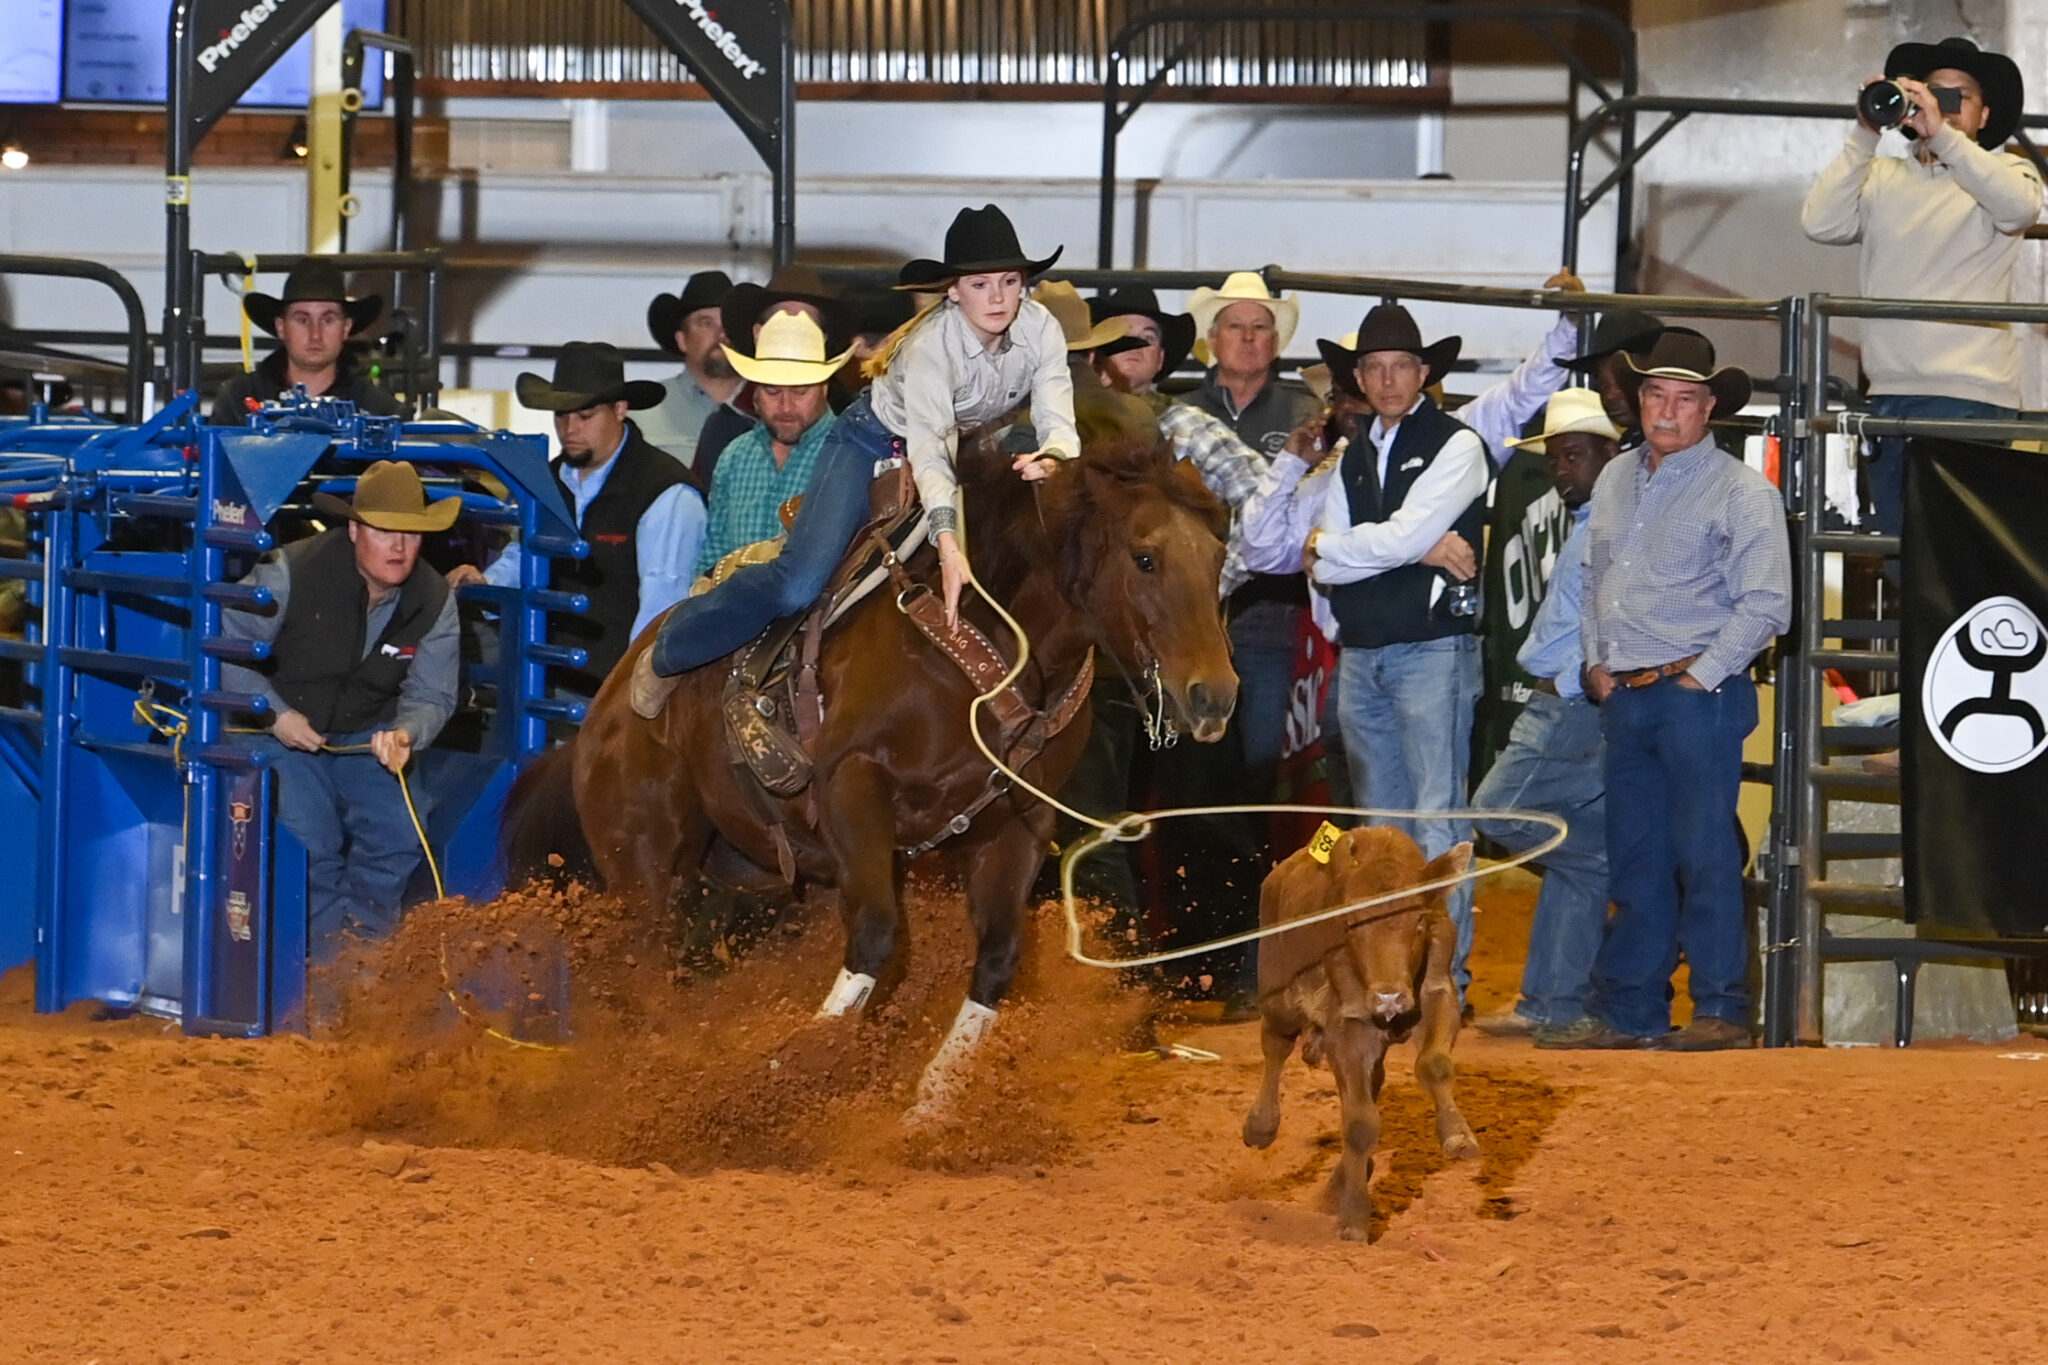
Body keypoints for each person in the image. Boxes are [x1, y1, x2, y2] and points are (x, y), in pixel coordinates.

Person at [632, 203, 1077, 724]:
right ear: (953, 292)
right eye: (980, 284)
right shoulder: (932, 346)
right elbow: (928, 449)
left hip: (976, 442)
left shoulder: (1042, 328)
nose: (998, 297)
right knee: (800, 579)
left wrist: (1055, 457)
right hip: (873, 440)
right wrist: (950, 545)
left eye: (1009, 281)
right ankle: (674, 646)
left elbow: (1057, 413)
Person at [1571, 330, 1791, 1051]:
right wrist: (1598, 662)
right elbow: (1594, 577)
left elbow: (1768, 604)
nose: (1668, 409)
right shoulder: (1613, 479)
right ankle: (1632, 1006)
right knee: (1635, 855)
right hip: (1632, 691)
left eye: (1685, 398)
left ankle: (1722, 1005)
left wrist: (1699, 674)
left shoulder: (1740, 490)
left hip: (1695, 690)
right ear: (1638, 400)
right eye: (1656, 394)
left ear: (1707, 409)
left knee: (1702, 852)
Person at [1287, 304, 1492, 1002]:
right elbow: (1331, 563)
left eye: (1401, 365)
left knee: (1434, 821)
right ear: (1360, 378)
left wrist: (1348, 548)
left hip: (1430, 649)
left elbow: (1345, 551)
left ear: (1424, 372)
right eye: (1374, 368)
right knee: (1388, 831)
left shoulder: (1457, 446)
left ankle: (1445, 981)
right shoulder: (1352, 459)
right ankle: (1397, 978)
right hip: (1369, 652)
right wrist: (1413, 547)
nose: (1387, 378)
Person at [1801, 36, 2043, 536]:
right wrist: (1867, 131)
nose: (1943, 109)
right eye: (1931, 95)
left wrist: (1947, 137)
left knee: (1958, 556)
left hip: (1971, 397)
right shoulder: (1883, 176)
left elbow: (2019, 208)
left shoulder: (2006, 170)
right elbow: (1821, 223)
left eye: (1959, 99)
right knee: (1900, 555)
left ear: (1984, 115)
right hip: (1889, 394)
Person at [219, 461, 459, 954]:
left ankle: (362, 964)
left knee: (399, 831)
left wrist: (408, 732)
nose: (400, 547)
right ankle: (322, 974)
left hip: (366, 734)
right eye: (385, 531)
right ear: (353, 529)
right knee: (311, 845)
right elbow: (224, 653)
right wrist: (274, 713)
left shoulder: (434, 599)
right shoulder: (287, 573)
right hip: (274, 732)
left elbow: (433, 694)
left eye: (412, 535)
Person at [1468, 389, 1622, 1045]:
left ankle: (1622, 867)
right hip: (1562, 700)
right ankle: (1552, 1001)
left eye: (1575, 456)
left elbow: (1608, 614)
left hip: (1565, 703)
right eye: (1557, 459)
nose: (1563, 470)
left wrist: (1565, 679)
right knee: (1567, 850)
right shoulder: (1594, 520)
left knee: (1497, 810)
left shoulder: (1609, 524)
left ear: (1608, 455)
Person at [449, 343, 704, 695]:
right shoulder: (550, 478)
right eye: (561, 416)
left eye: (584, 416)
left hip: (614, 688)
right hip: (548, 677)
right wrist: (485, 583)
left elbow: (661, 607)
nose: (570, 428)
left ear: (619, 409)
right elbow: (525, 553)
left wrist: (627, 693)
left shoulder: (665, 492)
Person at [694, 312, 845, 579]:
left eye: (800, 391)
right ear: (755, 392)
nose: (786, 407)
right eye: (772, 391)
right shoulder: (735, 457)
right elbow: (712, 554)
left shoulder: (848, 455)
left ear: (824, 389)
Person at [693, 266, 851, 487]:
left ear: (822, 338)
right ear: (758, 333)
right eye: (772, 390)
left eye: (806, 325)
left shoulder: (854, 438)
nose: (792, 332)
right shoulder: (727, 439)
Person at [209, 259, 402, 424]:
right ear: (281, 327)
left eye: (328, 320)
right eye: (302, 320)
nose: (315, 334)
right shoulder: (237, 401)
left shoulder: (380, 411)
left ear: (346, 328)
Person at [637, 269, 740, 464]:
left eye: (728, 323)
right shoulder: (644, 412)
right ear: (682, 339)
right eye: (705, 323)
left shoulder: (775, 407)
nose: (720, 334)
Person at [1089, 286, 1198, 411]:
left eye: (1148, 338)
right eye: (1123, 335)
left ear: (1160, 359)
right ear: (1097, 352)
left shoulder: (1192, 425)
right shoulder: (1070, 415)